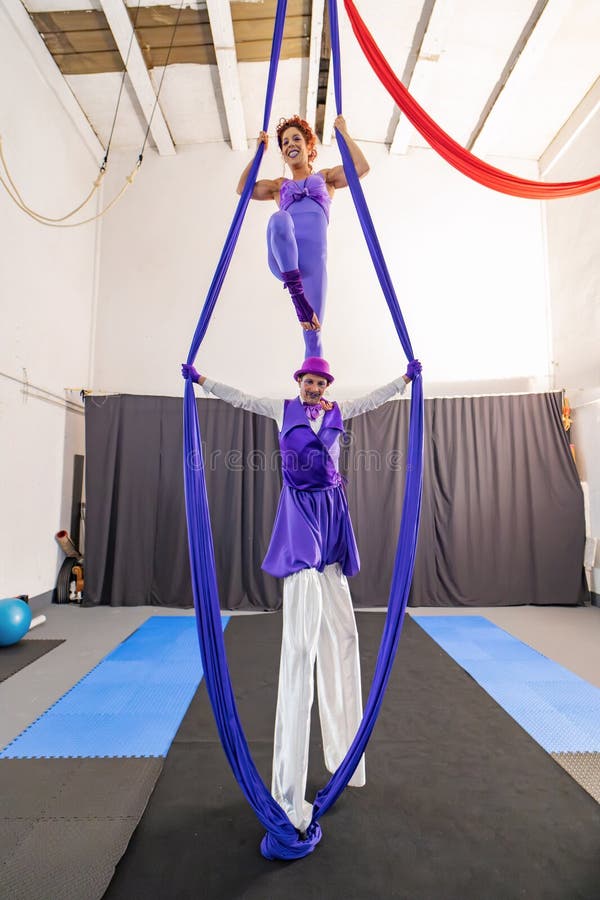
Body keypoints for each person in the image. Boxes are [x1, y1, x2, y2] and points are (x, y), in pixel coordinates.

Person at [182, 355, 422, 833]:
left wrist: (405, 379)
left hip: (332, 505)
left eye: (320, 382)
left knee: (333, 593)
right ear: (299, 382)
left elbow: (376, 399)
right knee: (305, 585)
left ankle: (343, 750)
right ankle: (288, 775)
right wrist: (202, 380)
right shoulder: (281, 409)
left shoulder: (339, 410)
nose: (314, 388)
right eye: (309, 381)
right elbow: (241, 399)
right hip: (299, 506)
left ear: (326, 385)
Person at [236, 115, 369, 355]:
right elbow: (242, 189)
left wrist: (344, 133)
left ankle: (313, 389)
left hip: (313, 269)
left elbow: (361, 168)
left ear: (309, 146)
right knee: (280, 219)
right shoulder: (279, 186)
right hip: (284, 261)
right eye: (285, 143)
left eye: (296, 139)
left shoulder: (326, 179)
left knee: (314, 336)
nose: (290, 145)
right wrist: (258, 154)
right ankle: (298, 298)